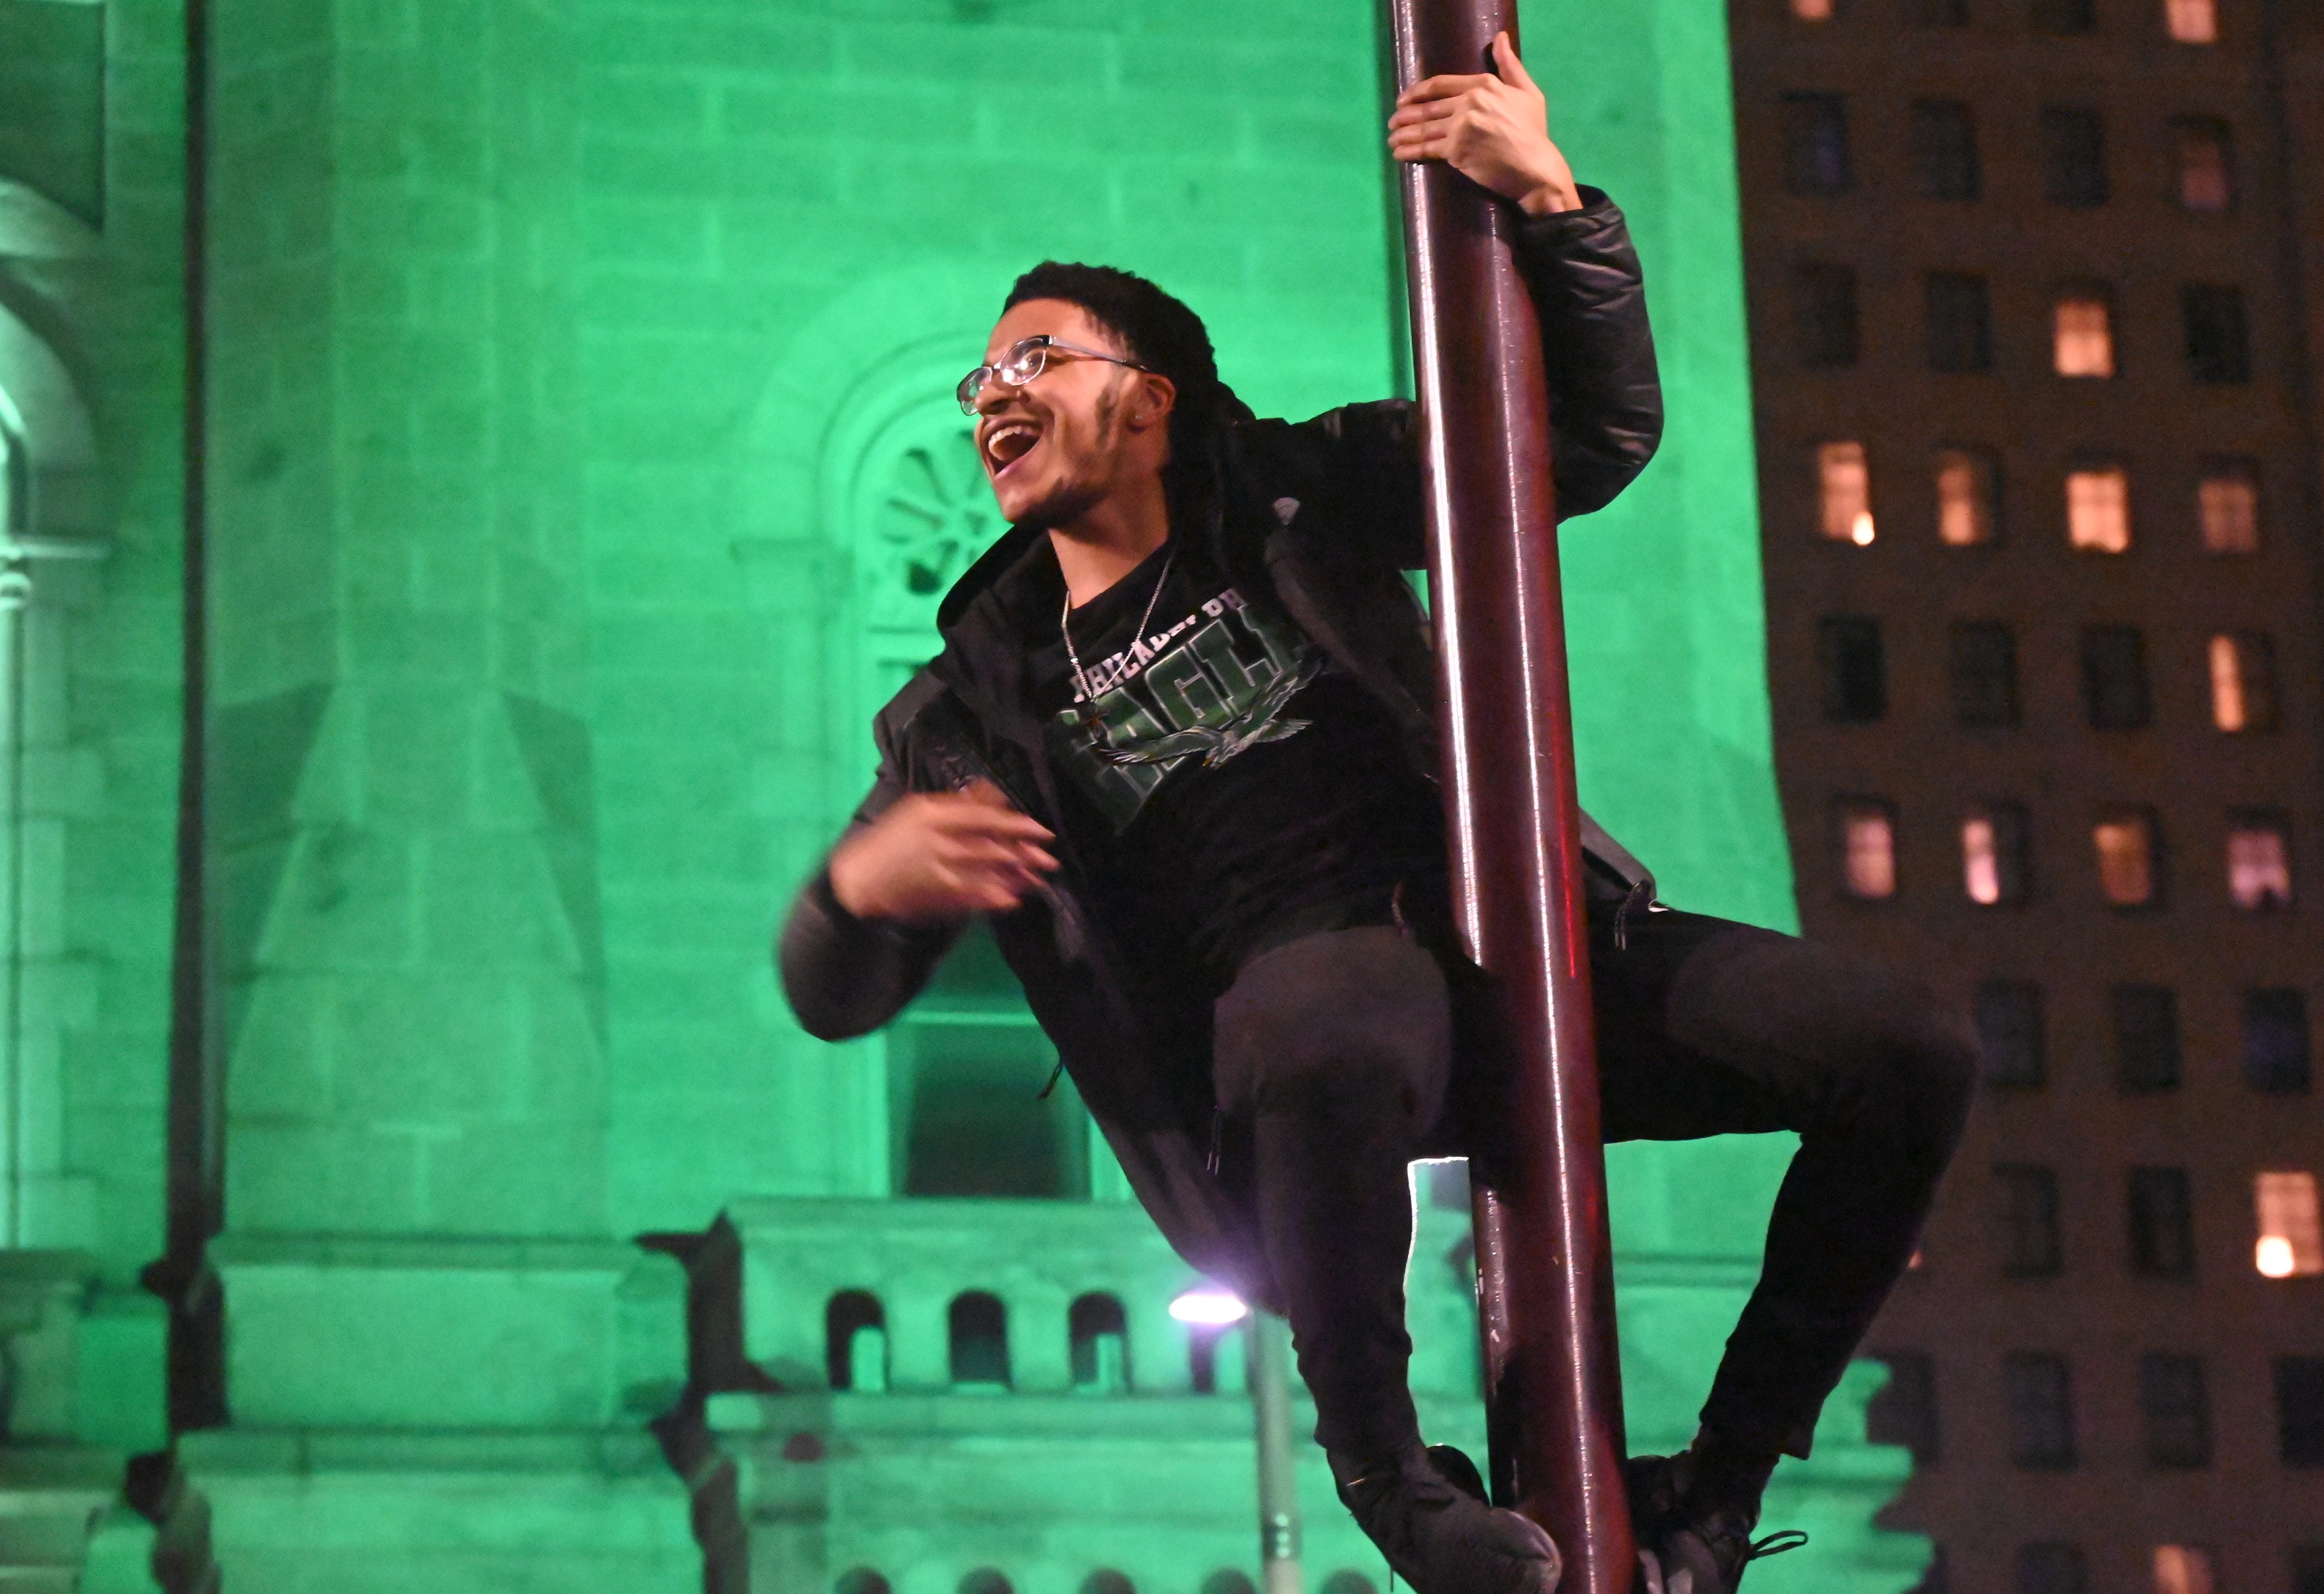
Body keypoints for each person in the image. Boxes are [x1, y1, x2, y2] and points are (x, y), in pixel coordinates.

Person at [780, 35, 1975, 1594]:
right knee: (1327, 1013)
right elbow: (835, 995)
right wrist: (857, 888)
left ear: (1148, 399)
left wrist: (1557, 207)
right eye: (978, 382)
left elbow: (1584, 443)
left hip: (1518, 939)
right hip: (1310, 1030)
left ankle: (1722, 1484)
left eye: (1034, 362)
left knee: (1907, 1051)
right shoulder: (971, 705)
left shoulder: (1297, 495)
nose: (990, 397)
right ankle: (1397, 1489)